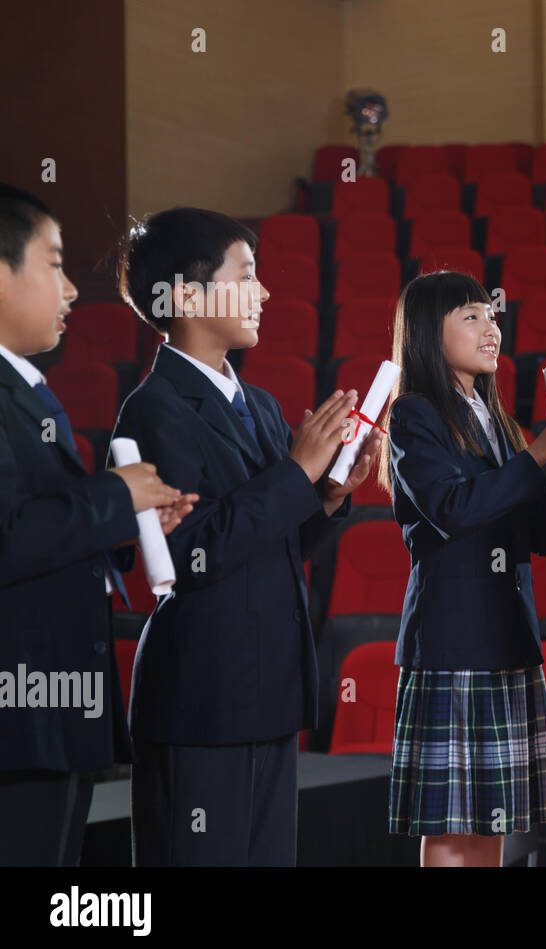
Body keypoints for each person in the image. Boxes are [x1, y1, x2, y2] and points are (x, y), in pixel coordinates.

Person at [112, 206, 378, 865]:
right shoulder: (153, 409)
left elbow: (270, 543)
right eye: (247, 274)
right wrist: (296, 471)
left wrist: (326, 496)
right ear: (188, 296)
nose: (263, 292)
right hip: (201, 699)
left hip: (265, 695)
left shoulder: (256, 403)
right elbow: (190, 555)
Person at [377, 270, 546, 867]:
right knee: (452, 829)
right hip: (453, 643)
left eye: (493, 316)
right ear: (430, 332)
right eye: (471, 316)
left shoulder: (494, 419)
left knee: (491, 823)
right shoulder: (414, 415)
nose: (491, 328)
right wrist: (540, 454)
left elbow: (536, 536)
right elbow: (453, 509)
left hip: (506, 637)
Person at [0, 184, 195, 866]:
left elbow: (41, 525)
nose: (71, 290)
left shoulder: (24, 387)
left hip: (44, 719)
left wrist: (126, 519)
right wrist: (114, 494)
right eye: (53, 264)